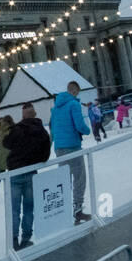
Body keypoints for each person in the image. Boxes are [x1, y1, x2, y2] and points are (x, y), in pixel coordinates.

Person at [5, 101, 51, 250]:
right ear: (35, 114)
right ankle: (26, 238)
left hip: (16, 173)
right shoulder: (42, 132)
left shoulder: (17, 129)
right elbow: (45, 155)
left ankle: (13, 240)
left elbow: (6, 143)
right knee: (29, 208)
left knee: (14, 209)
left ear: (23, 115)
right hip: (31, 172)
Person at [49, 81, 93, 224]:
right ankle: (77, 210)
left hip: (59, 148)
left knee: (64, 180)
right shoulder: (74, 104)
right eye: (77, 92)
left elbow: (53, 128)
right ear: (74, 91)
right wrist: (87, 131)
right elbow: (80, 125)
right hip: (72, 147)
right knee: (79, 178)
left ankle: (65, 211)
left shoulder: (55, 108)